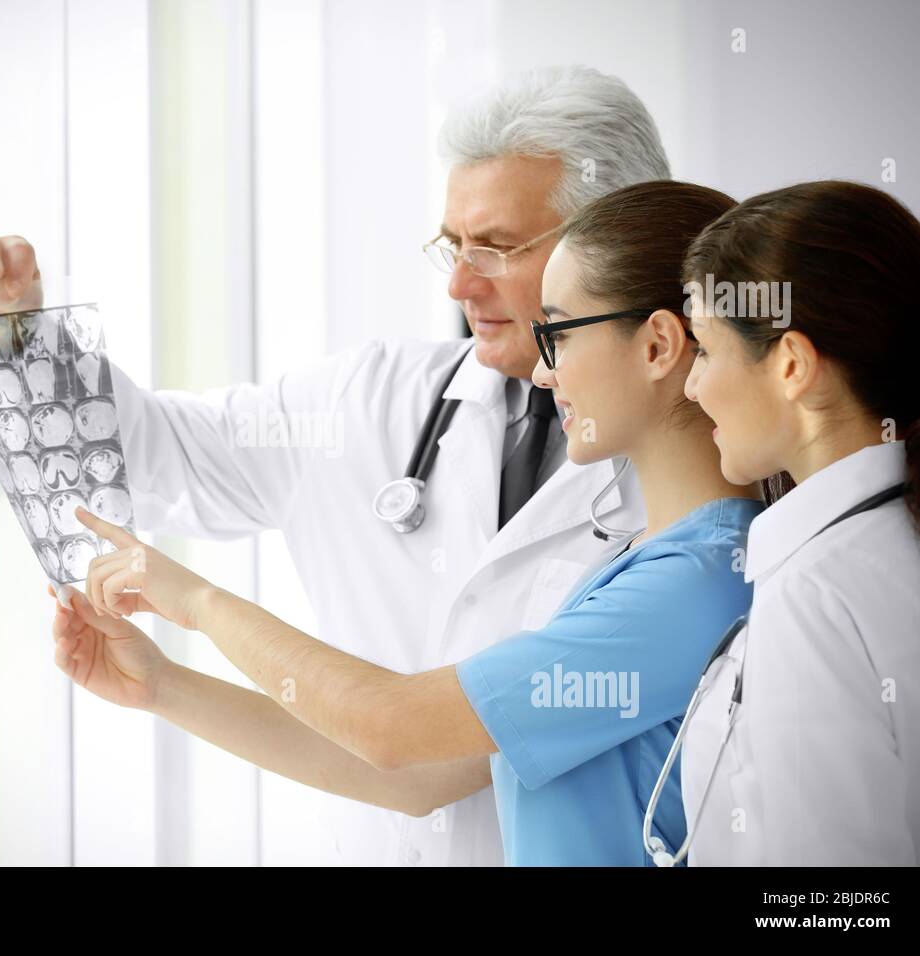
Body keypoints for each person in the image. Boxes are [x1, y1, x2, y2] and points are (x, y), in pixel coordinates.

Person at [0, 66, 666, 866]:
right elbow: (153, 461)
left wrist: (196, 603)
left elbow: (414, 745)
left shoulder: (697, 478)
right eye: (453, 245)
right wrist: (17, 355)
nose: (459, 282)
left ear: (615, 242)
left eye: (498, 247)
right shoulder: (371, 399)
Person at [59, 181, 768, 865]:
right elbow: (416, 777)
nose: (545, 376)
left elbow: (391, 726)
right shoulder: (656, 566)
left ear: (657, 347)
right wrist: (163, 687)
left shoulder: (695, 585)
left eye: (557, 336)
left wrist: (198, 602)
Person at [671, 181, 920, 865]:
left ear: (791, 365)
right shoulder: (905, 540)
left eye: (703, 349)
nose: (691, 385)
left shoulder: (815, 593)